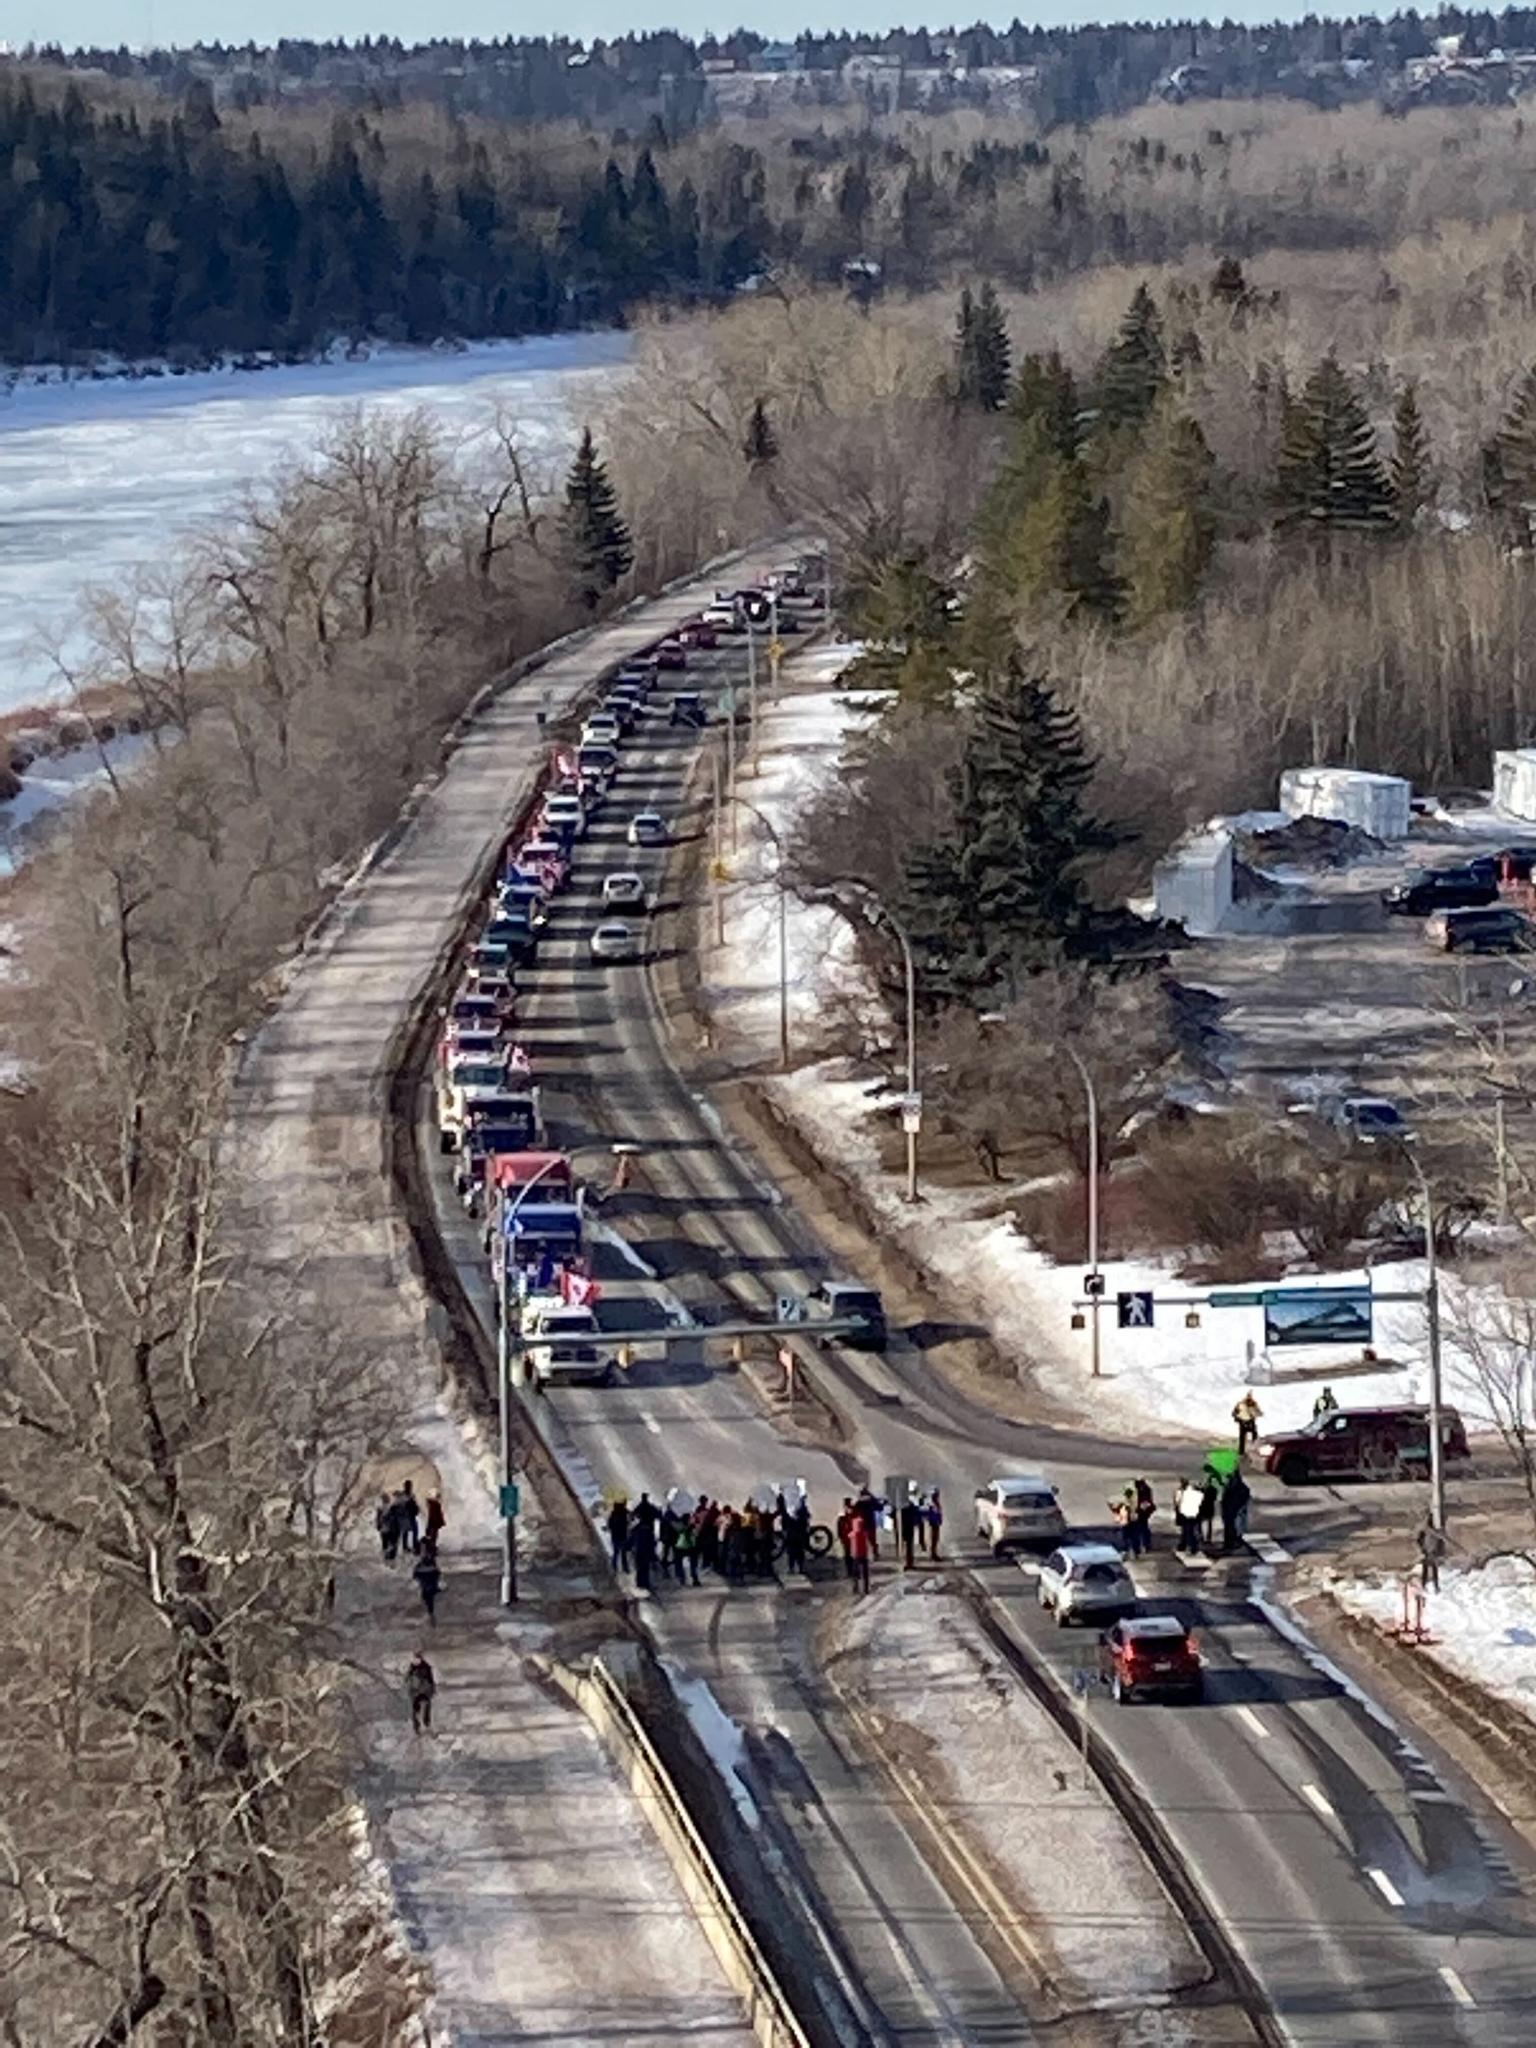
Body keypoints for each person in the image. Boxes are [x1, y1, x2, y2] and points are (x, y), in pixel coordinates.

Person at [1220, 1468, 1252, 1554]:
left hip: (1233, 1513)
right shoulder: (1233, 1487)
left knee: (1233, 1527)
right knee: (1230, 1527)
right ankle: (1231, 1543)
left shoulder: (1240, 1488)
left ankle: (1232, 1543)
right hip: (1230, 1513)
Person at [1175, 1476, 1206, 1556]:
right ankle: (1185, 1545)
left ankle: (1192, 1547)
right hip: (1193, 1514)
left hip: (1187, 1514)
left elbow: (1178, 1503)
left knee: (1188, 1531)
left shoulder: (1183, 1492)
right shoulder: (1194, 1492)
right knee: (1188, 1531)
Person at [406, 1653, 436, 1735]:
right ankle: (418, 1727)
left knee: (426, 1708)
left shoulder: (426, 1667)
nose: (415, 1661)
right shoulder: (411, 1668)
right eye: (414, 1659)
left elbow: (430, 1681)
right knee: (416, 1710)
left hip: (424, 1692)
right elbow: (408, 1680)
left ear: (420, 1658)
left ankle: (426, 1724)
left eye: (416, 1659)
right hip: (416, 1692)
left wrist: (431, 1690)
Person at [1417, 1516, 1448, 1592]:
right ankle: (1433, 1586)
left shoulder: (1424, 1549)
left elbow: (1420, 1538)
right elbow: (1441, 1541)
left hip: (1431, 1531)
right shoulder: (1437, 1552)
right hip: (1435, 1530)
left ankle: (1431, 1586)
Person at [847, 1509, 872, 1596]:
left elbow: (852, 1545)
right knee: (864, 1573)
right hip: (863, 1555)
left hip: (857, 1555)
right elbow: (867, 1544)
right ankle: (865, 1588)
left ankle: (856, 1587)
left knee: (856, 1573)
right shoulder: (864, 1533)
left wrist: (852, 1554)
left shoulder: (853, 1534)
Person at [631, 1513, 657, 1594]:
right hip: (646, 1551)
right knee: (645, 1568)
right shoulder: (648, 1528)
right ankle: (645, 1584)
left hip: (638, 1551)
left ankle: (640, 1584)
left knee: (639, 1568)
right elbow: (652, 1542)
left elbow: (631, 1540)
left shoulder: (635, 1529)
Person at [1233, 1390, 1263, 1457]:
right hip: (1248, 1421)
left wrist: (1236, 1417)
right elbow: (1258, 1412)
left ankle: (1242, 1451)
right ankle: (1252, 1448)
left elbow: (1234, 1412)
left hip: (1244, 1422)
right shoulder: (1251, 1404)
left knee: (1244, 1436)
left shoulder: (1242, 1403)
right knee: (1253, 1434)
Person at [855, 1486, 881, 1560]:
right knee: (872, 1540)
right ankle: (875, 1554)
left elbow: (855, 1510)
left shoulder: (860, 1502)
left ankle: (861, 1555)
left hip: (862, 1523)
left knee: (862, 1540)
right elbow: (879, 1507)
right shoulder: (871, 1500)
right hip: (870, 1522)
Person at [396, 1480, 421, 1557]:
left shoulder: (411, 1495)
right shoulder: (402, 1495)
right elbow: (399, 1505)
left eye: (410, 1486)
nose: (409, 1487)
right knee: (405, 1532)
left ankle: (414, 1545)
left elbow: (415, 1504)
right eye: (408, 1486)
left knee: (415, 1531)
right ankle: (405, 1547)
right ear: (405, 1486)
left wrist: (415, 1508)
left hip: (411, 1516)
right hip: (405, 1516)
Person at [606, 1497, 631, 1572]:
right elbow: (630, 1516)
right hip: (623, 1536)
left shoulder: (613, 1514)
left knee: (616, 1553)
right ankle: (625, 1568)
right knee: (623, 1554)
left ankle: (614, 1567)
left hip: (615, 1537)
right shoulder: (624, 1512)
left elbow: (609, 1526)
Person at [376, 1492, 401, 1565]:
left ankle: (386, 1560)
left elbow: (378, 1522)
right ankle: (391, 1560)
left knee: (385, 1545)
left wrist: (379, 1526)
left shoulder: (381, 1509)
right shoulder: (392, 1508)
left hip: (385, 1530)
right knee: (392, 1545)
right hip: (391, 1530)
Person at [1197, 1469, 1219, 1549]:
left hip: (1203, 1507)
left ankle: (1201, 1537)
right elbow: (1215, 1497)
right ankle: (1207, 1538)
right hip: (1209, 1507)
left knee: (1201, 1523)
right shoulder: (1213, 1489)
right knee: (1208, 1523)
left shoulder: (1205, 1489)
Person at [1134, 1478, 1156, 1553]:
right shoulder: (1146, 1489)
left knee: (1141, 1528)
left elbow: (1145, 1501)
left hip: (1143, 1512)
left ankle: (1144, 1545)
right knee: (1143, 1528)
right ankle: (1145, 1544)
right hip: (1143, 1511)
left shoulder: (1144, 1490)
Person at [1108, 1489, 1134, 1554]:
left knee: (1126, 1537)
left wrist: (1111, 1506)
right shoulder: (1128, 1503)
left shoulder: (1127, 1504)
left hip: (1126, 1524)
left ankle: (1127, 1550)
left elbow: (1117, 1510)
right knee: (1128, 1538)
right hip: (1127, 1523)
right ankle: (1128, 1550)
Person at [836, 1498, 856, 1580]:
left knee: (852, 1557)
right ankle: (850, 1572)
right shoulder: (843, 1518)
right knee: (849, 1556)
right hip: (847, 1540)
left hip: (851, 1540)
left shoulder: (851, 1517)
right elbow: (840, 1530)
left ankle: (852, 1572)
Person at [900, 1495, 920, 1571]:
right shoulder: (908, 1506)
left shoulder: (905, 1507)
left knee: (908, 1546)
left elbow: (916, 1514)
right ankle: (908, 1563)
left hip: (907, 1528)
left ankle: (909, 1563)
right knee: (908, 1546)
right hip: (906, 1528)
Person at [925, 1488, 944, 1562]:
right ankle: (933, 1554)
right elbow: (931, 1514)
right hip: (933, 1524)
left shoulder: (936, 1503)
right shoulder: (932, 1504)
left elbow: (939, 1513)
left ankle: (934, 1553)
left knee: (936, 1539)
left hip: (936, 1523)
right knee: (934, 1539)